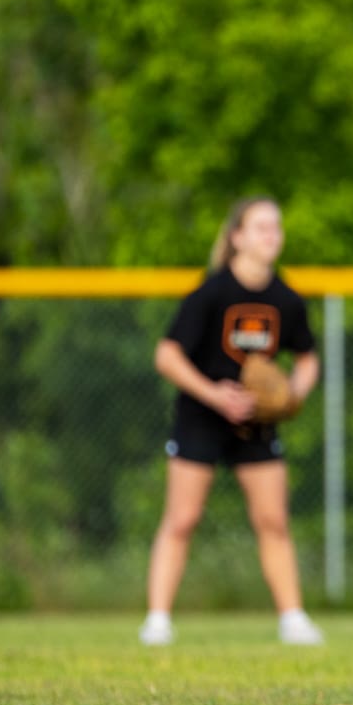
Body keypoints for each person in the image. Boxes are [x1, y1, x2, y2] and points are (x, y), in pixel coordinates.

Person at [138, 196, 326, 647]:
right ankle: (158, 619)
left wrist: (294, 392)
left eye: (276, 227)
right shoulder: (212, 293)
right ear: (237, 237)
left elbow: (307, 357)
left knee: (273, 520)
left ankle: (293, 618)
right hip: (202, 416)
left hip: (254, 424)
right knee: (182, 518)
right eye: (261, 227)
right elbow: (167, 355)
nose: (272, 235)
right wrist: (213, 394)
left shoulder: (285, 298)